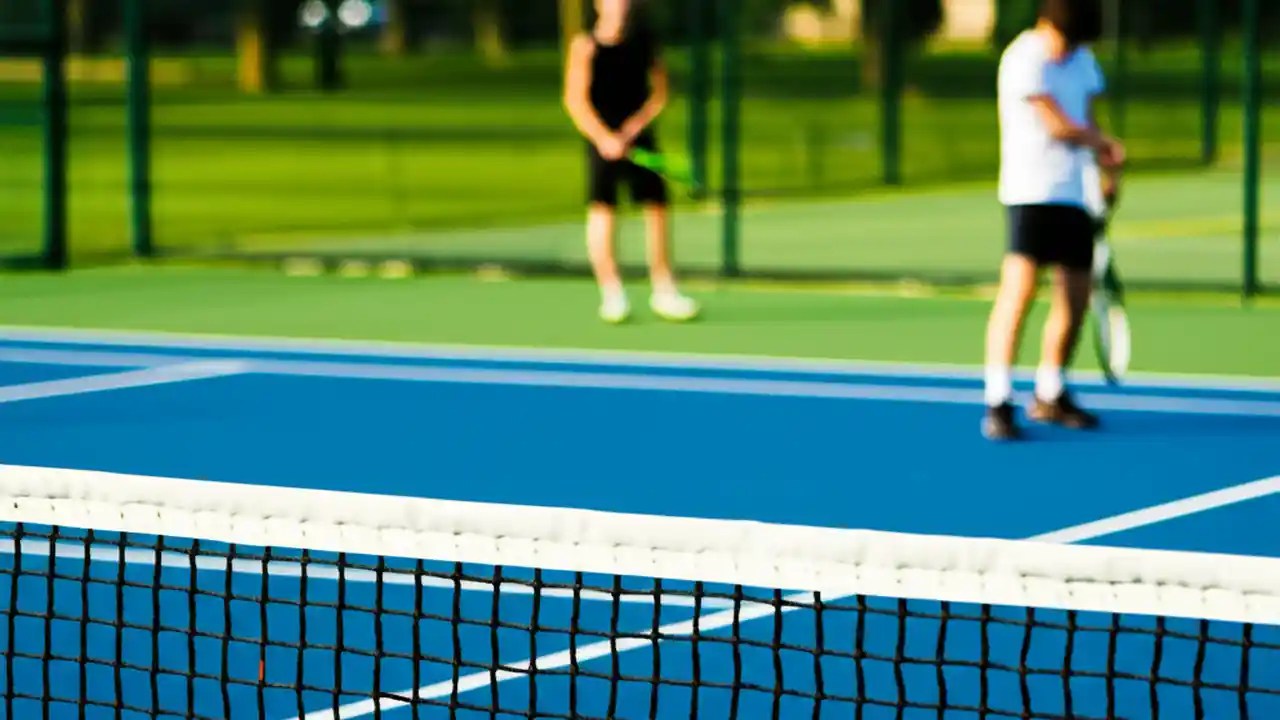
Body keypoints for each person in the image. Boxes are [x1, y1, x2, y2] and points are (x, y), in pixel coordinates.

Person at [982, 0, 1125, 441]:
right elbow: (1058, 125)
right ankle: (998, 399)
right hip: (1030, 193)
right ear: (1046, 23)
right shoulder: (1023, 57)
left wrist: (1105, 171)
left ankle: (1050, 391)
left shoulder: (1083, 59)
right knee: (1020, 290)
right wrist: (1104, 142)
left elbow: (1087, 116)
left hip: (1075, 195)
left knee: (1076, 297)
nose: (1068, 51)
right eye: (1063, 41)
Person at [562, 0, 699, 324]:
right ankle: (612, 293)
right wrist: (604, 139)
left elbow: (660, 93)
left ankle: (664, 289)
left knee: (657, 207)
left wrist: (635, 127)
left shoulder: (645, 42)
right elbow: (575, 101)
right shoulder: (584, 45)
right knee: (603, 209)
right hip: (601, 140)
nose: (619, 4)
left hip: (637, 137)